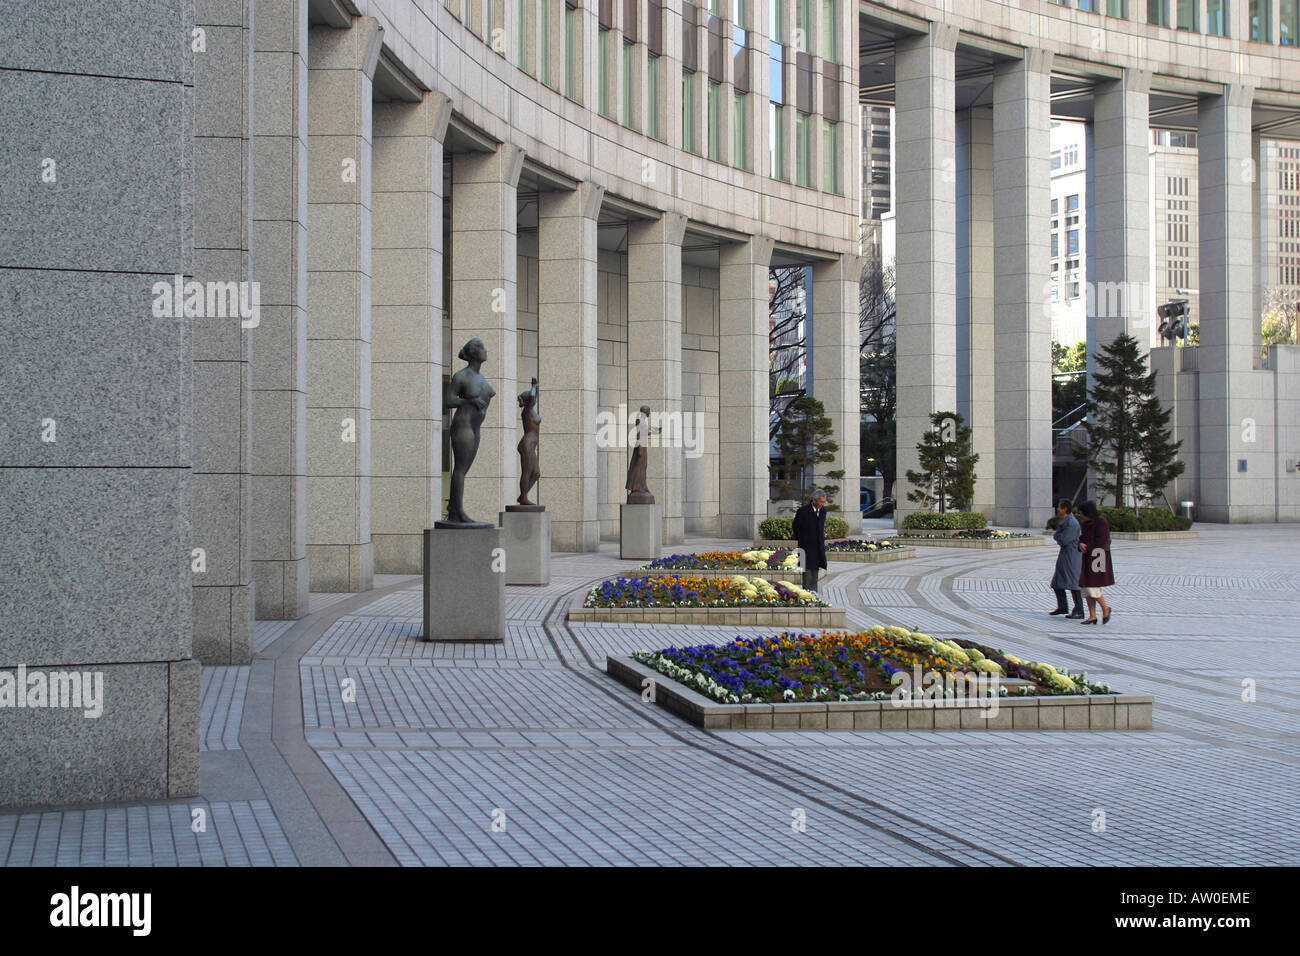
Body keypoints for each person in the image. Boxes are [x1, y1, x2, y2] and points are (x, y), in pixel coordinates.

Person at [444, 338, 495, 524]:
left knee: (463, 470)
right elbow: (449, 400)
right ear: (473, 352)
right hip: (463, 425)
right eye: (481, 347)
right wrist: (469, 401)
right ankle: (457, 511)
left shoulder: (481, 378)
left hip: (476, 427)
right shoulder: (461, 376)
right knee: (459, 469)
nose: (485, 350)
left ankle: (453, 509)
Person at [1077, 499, 1115, 625]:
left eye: (1082, 513)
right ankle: (1092, 615)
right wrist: (1080, 544)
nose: (1081, 515)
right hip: (1088, 557)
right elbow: (1081, 538)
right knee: (1086, 586)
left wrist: (1087, 546)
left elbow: (1101, 541)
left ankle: (1105, 608)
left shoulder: (1101, 522)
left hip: (1098, 557)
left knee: (1092, 586)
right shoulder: (1086, 524)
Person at [1049, 499, 1084, 619]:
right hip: (1065, 555)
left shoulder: (1072, 523)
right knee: (1057, 583)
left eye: (1059, 507)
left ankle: (1079, 610)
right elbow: (1059, 537)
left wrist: (1057, 536)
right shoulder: (1065, 522)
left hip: (1071, 556)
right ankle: (1062, 607)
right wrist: (1057, 536)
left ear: (1064, 509)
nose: (1058, 509)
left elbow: (1063, 539)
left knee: (1073, 584)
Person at [792, 490, 828, 594]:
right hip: (805, 546)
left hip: (818, 546)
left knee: (815, 571)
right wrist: (802, 539)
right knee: (807, 571)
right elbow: (796, 526)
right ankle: (806, 594)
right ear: (814, 500)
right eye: (821, 502)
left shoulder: (823, 511)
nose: (822, 504)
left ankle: (814, 594)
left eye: (824, 502)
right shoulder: (803, 511)